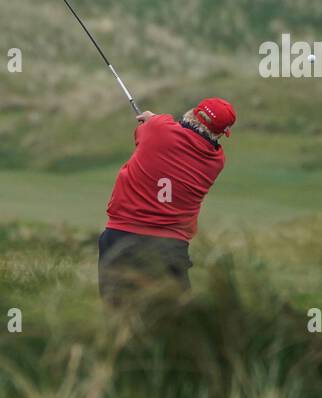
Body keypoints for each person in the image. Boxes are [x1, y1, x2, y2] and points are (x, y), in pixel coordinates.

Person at [98, 97, 236, 307]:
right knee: (174, 322)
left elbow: (144, 133)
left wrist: (152, 120)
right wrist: (156, 122)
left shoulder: (158, 128)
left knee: (117, 313)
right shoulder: (216, 161)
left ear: (193, 112)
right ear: (219, 133)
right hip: (170, 248)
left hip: (120, 238)